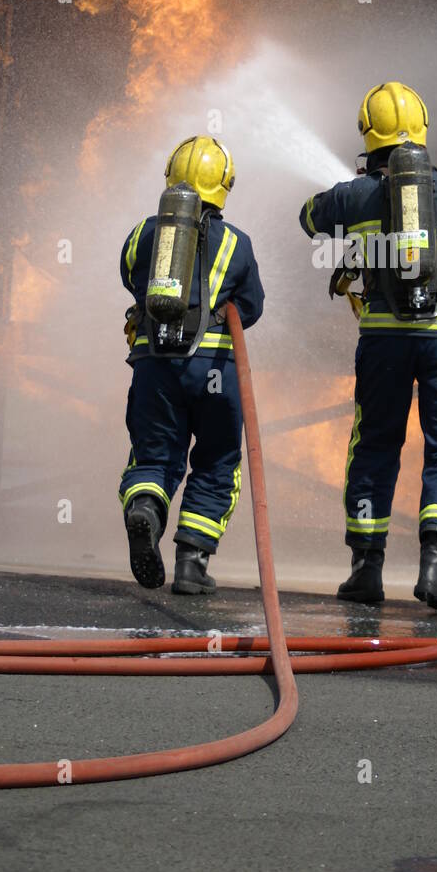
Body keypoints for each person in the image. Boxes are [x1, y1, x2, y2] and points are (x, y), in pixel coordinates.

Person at [300, 82, 437, 613]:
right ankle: (436, 564)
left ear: (367, 134)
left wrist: (349, 196)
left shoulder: (354, 197)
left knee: (376, 444)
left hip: (384, 340)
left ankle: (365, 570)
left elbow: (308, 218)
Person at [119, 135, 264, 595]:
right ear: (223, 186)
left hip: (154, 367)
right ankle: (192, 563)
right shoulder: (237, 244)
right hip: (214, 372)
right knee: (217, 457)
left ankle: (146, 506)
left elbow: (127, 276)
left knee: (155, 453)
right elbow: (253, 305)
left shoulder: (142, 235)